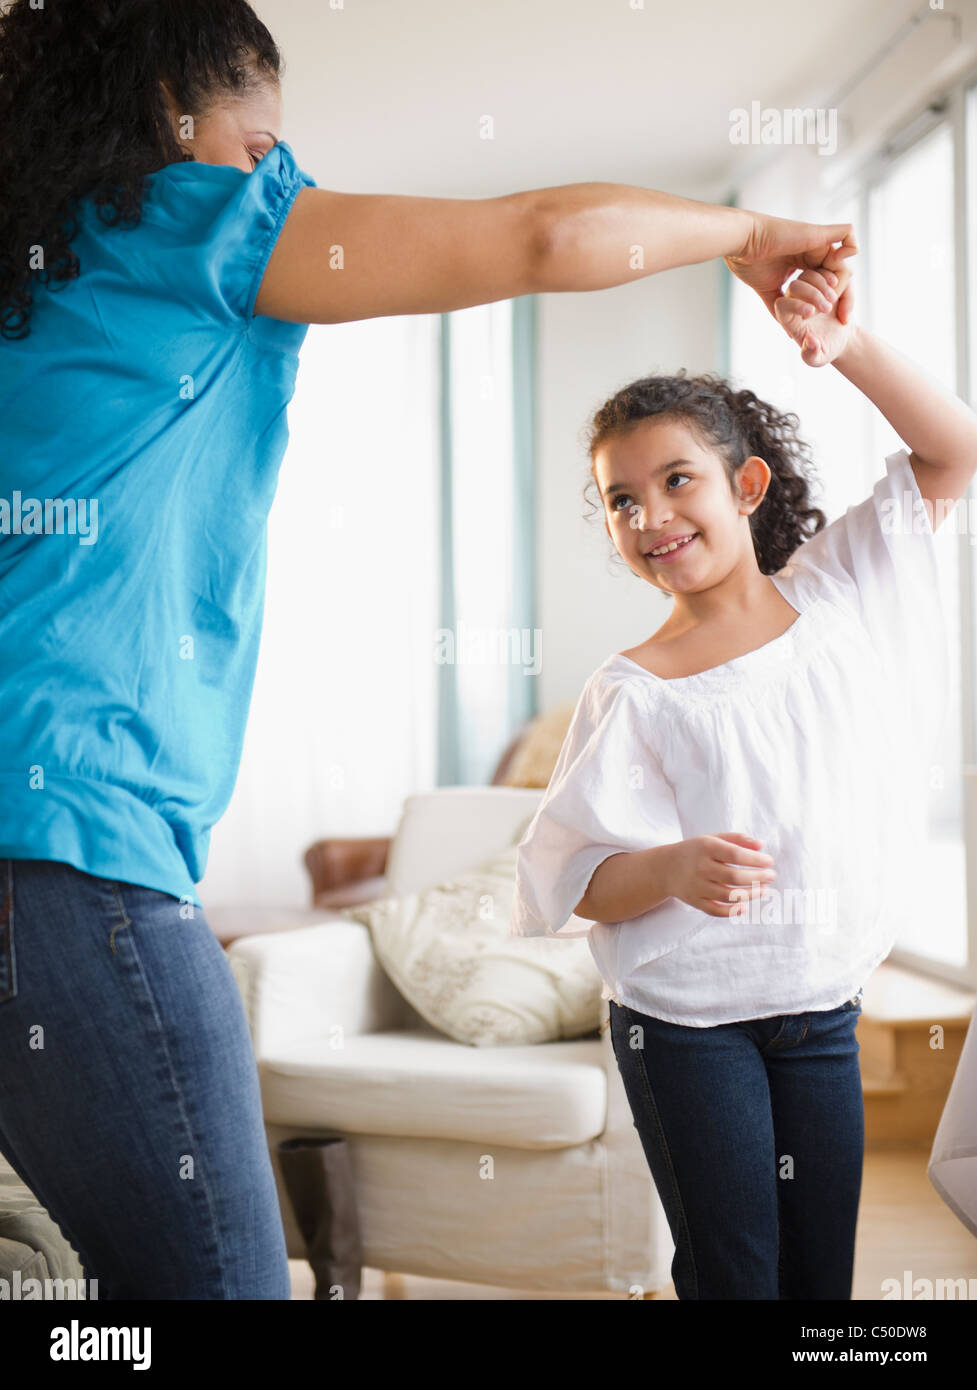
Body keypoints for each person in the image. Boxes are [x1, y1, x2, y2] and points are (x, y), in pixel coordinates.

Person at [0, 0, 859, 1300]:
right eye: (262, 142)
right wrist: (745, 232)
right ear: (180, 111)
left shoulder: (37, 286)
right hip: (76, 850)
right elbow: (537, 235)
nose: (275, 173)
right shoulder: (184, 223)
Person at [510, 252, 977, 1298]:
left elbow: (953, 451)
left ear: (745, 485)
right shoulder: (632, 690)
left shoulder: (844, 587)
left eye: (675, 479)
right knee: (733, 1276)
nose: (650, 515)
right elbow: (571, 879)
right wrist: (671, 868)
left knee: (820, 1283)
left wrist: (840, 344)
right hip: (683, 1026)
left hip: (818, 1011)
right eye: (619, 500)